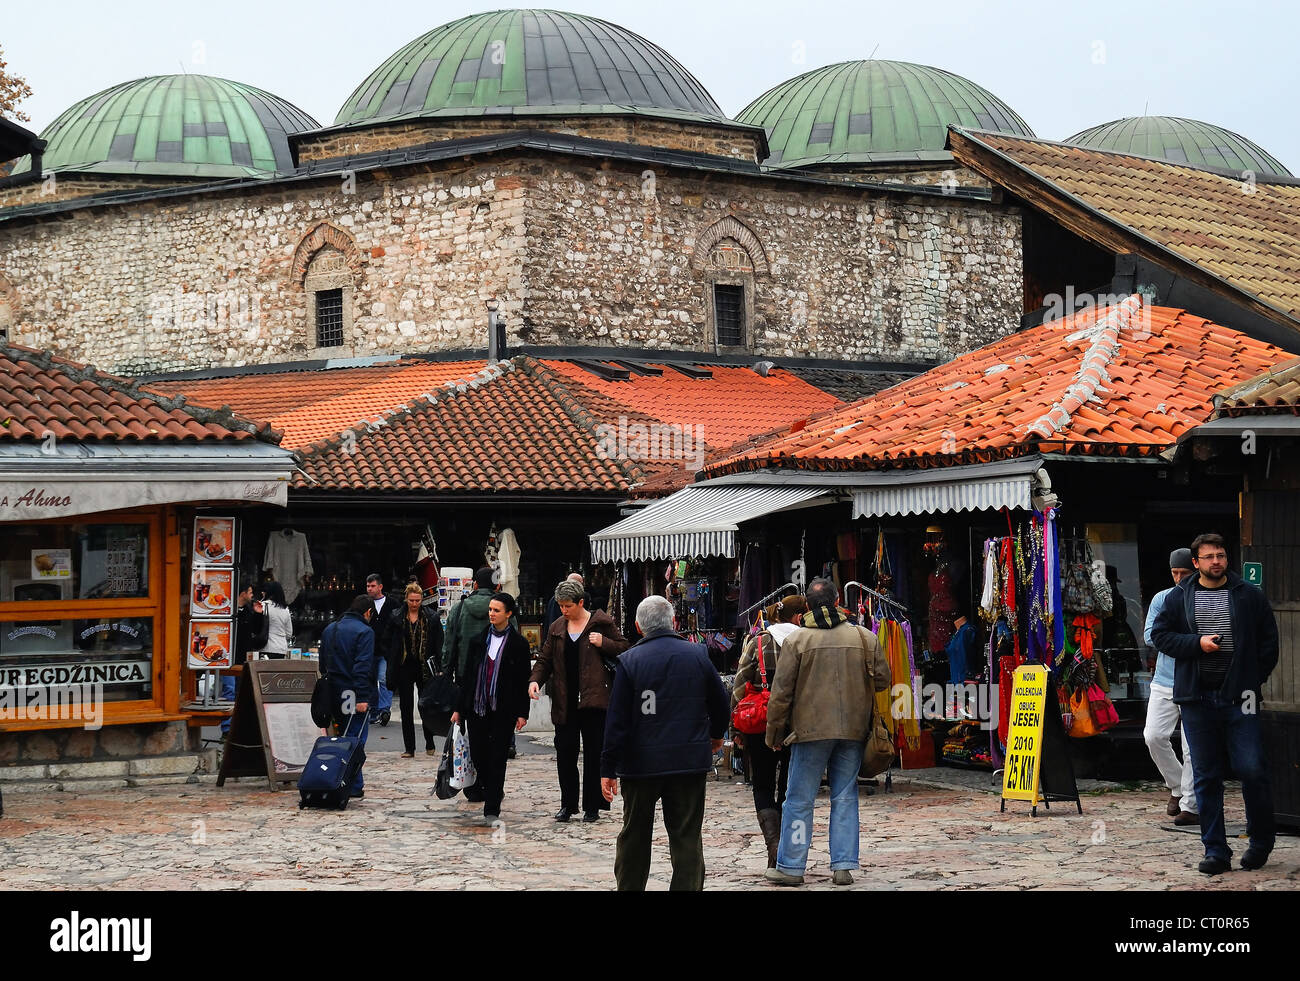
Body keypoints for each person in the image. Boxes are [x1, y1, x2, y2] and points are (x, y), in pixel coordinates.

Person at [1152, 533, 1279, 875]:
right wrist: (1197, 644)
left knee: (1252, 768)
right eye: (1208, 557)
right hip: (1196, 698)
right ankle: (1216, 851)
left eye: (1220, 555)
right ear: (1196, 563)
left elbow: (1269, 643)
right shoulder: (1179, 598)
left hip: (1243, 698)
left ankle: (1261, 840)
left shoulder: (1248, 596)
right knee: (1207, 776)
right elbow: (1160, 636)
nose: (1216, 561)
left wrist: (1251, 678)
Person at [763, 577, 891, 886]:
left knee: (798, 799)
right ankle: (843, 866)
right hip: (852, 729)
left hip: (809, 732)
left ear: (806, 606)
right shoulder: (864, 637)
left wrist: (774, 734)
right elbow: (883, 681)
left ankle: (792, 867)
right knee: (845, 795)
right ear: (837, 602)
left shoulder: (797, 641)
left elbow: (781, 694)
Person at [600, 595, 729, 890]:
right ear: (673, 622)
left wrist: (607, 766)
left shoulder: (630, 661)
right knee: (686, 836)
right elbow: (721, 702)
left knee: (634, 834)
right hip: (687, 762)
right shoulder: (697, 655)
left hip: (640, 764)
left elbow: (617, 720)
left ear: (637, 626)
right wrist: (717, 735)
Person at [530, 579, 629, 822]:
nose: (564, 611)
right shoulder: (556, 628)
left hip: (594, 700)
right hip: (565, 700)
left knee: (594, 754)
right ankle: (568, 804)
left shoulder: (601, 622)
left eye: (568, 606)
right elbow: (545, 660)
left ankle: (592, 806)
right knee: (565, 754)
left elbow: (625, 648)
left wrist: (603, 643)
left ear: (581, 602)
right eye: (561, 606)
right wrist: (535, 680)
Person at [731, 594, 806, 868]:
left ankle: (773, 845)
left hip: (760, 722)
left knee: (762, 783)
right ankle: (785, 848)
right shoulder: (805, 641)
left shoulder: (759, 642)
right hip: (796, 723)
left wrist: (734, 727)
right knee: (789, 785)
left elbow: (740, 684)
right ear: (799, 617)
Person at [451, 593, 531, 825]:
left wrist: (522, 713)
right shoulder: (478, 640)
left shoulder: (518, 644)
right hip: (477, 707)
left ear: (508, 613)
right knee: (478, 754)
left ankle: (492, 806)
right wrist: (459, 708)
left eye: (497, 610)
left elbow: (522, 680)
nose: (491, 614)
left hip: (503, 709)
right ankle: (491, 787)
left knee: (498, 757)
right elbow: (466, 675)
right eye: (490, 610)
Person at [1143, 549, 1199, 826]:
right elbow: (1150, 635)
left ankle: (1190, 803)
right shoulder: (1162, 598)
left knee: (1192, 746)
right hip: (1164, 679)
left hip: (1195, 679)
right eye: (1175, 573)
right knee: (1153, 736)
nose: (1179, 578)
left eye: (1184, 574)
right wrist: (1187, 642)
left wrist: (1172, 638)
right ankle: (1177, 786)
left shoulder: (1203, 597)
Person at [319, 595, 376, 799]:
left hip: (333, 691)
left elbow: (322, 664)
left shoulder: (330, 629)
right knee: (355, 738)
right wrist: (362, 697)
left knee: (341, 736)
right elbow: (362, 667)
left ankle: (348, 782)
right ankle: (352, 784)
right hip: (352, 692)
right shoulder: (364, 632)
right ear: (368, 612)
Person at [387, 582, 444, 758]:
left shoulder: (431, 617)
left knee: (425, 705)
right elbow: (389, 641)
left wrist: (440, 668)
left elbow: (438, 644)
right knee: (406, 707)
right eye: (411, 600)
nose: (414, 603)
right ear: (406, 599)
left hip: (424, 665)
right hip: (404, 665)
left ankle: (429, 741)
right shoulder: (397, 616)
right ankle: (409, 747)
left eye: (418, 600)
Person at [222, 581, 267, 735]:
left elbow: (256, 630)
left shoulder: (248, 611)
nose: (252, 595)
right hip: (228, 658)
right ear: (242, 593)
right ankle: (227, 729)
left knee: (241, 693)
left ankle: (239, 728)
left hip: (244, 658)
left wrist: (258, 614)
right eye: (249, 592)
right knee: (229, 691)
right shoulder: (228, 611)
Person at [367, 574, 399, 726]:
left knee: (383, 678)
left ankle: (384, 710)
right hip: (368, 649)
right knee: (370, 681)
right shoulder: (365, 603)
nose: (369, 589)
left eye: (372, 586)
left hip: (386, 649)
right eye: (368, 586)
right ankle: (373, 710)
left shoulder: (392, 603)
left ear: (380, 586)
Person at [254, 581, 293, 660]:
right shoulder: (285, 609)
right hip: (281, 649)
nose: (262, 593)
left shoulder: (262, 606)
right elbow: (289, 633)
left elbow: (256, 627)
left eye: (264, 591)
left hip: (266, 647)